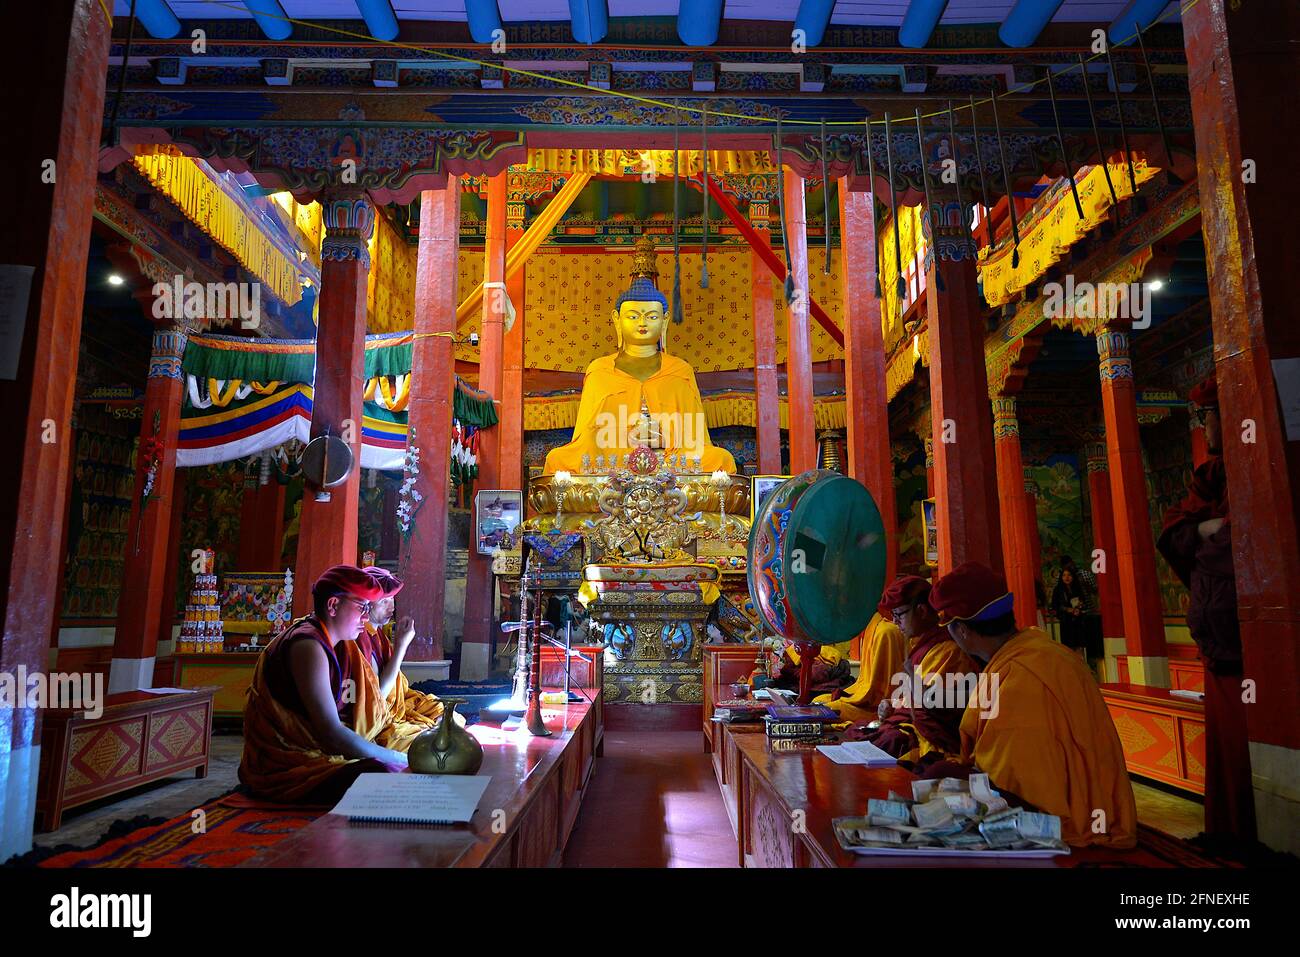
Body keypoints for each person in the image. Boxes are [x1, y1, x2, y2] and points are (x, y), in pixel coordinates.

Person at [928, 561, 1137, 848]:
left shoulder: (1019, 677)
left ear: (962, 631)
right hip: (1094, 799)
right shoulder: (1045, 651)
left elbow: (1012, 781)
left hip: (1055, 815)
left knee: (938, 778)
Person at [1157, 376, 1256, 843]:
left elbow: (1248, 545)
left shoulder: (1255, 467)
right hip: (1217, 642)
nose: (1205, 425)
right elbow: (1174, 531)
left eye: (1208, 415)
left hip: (1251, 644)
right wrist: (1205, 533)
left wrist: (1203, 536)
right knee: (1228, 749)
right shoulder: (1211, 476)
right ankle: (1231, 835)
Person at [239, 565, 430, 804]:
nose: (365, 617)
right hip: (292, 762)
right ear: (332, 606)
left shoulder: (337, 642)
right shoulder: (308, 646)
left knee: (402, 761)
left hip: (326, 748)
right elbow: (331, 733)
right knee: (383, 775)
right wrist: (397, 758)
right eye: (362, 607)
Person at [846, 575, 978, 762]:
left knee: (888, 742)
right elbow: (912, 698)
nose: (895, 621)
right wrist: (892, 705)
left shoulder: (948, 649)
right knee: (856, 731)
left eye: (899, 615)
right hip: (907, 722)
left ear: (922, 610)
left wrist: (899, 708)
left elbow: (930, 706)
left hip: (929, 737)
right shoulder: (920, 644)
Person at [360, 565, 446, 727]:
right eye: (384, 601)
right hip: (379, 715)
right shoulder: (360, 637)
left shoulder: (377, 634)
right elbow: (380, 696)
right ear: (366, 603)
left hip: (397, 704)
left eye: (392, 599)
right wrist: (401, 646)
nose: (391, 606)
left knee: (446, 714)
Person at [811, 613, 906, 722]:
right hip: (867, 697)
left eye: (899, 615)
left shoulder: (885, 632)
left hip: (879, 706)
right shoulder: (869, 630)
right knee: (819, 700)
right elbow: (864, 682)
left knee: (829, 709)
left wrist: (890, 703)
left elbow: (881, 692)